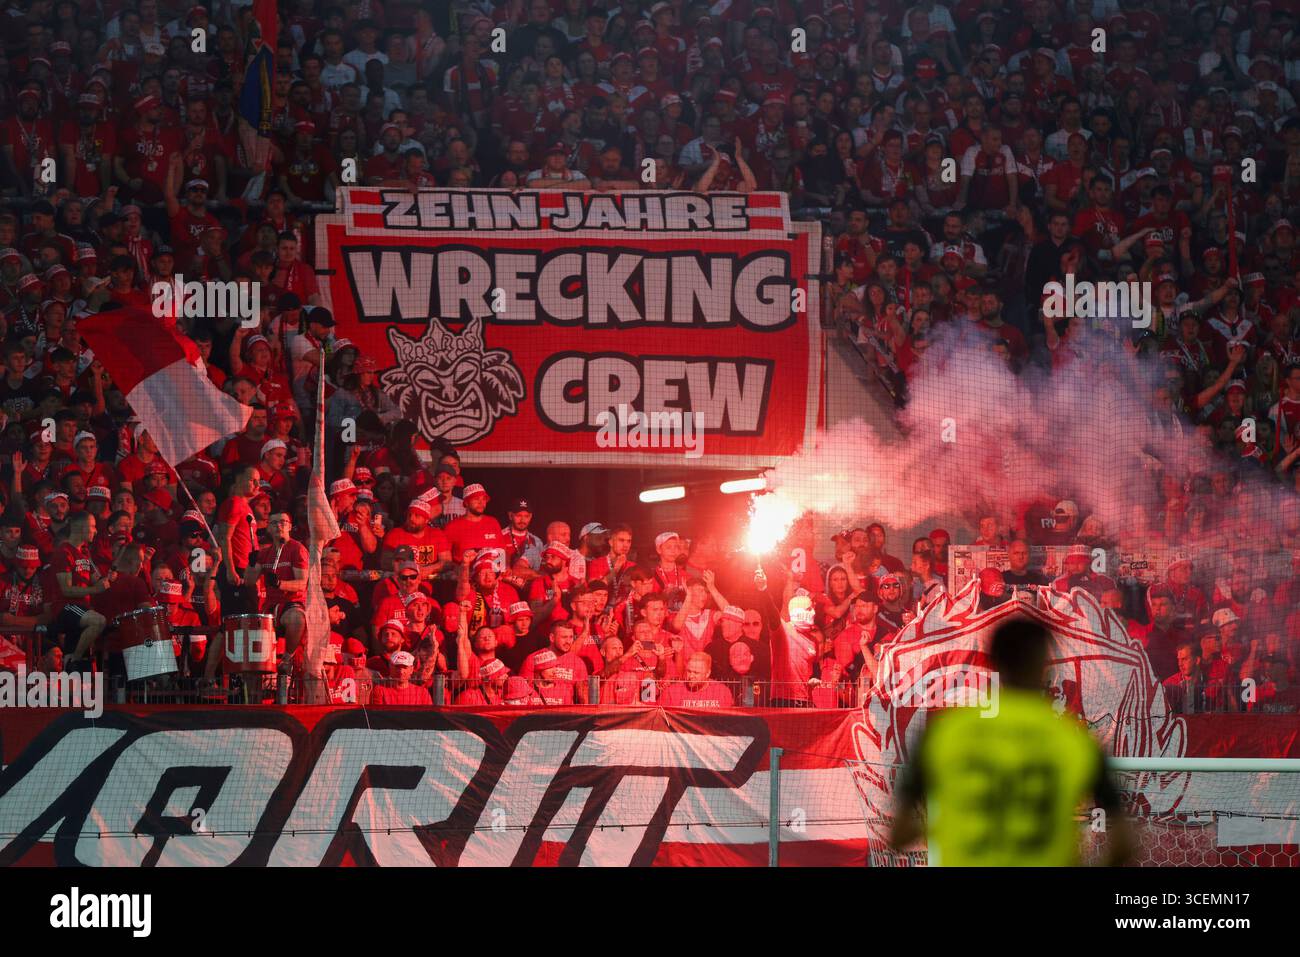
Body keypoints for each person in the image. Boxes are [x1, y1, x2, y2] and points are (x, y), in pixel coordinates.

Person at [890, 616, 1133, 866]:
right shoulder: (1076, 741)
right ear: (1044, 666)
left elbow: (899, 834)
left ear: (993, 663)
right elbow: (1124, 844)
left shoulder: (945, 734)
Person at [659, 651, 734, 708]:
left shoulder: (722, 692)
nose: (691, 676)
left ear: (707, 673)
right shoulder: (672, 692)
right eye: (689, 671)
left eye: (696, 673)